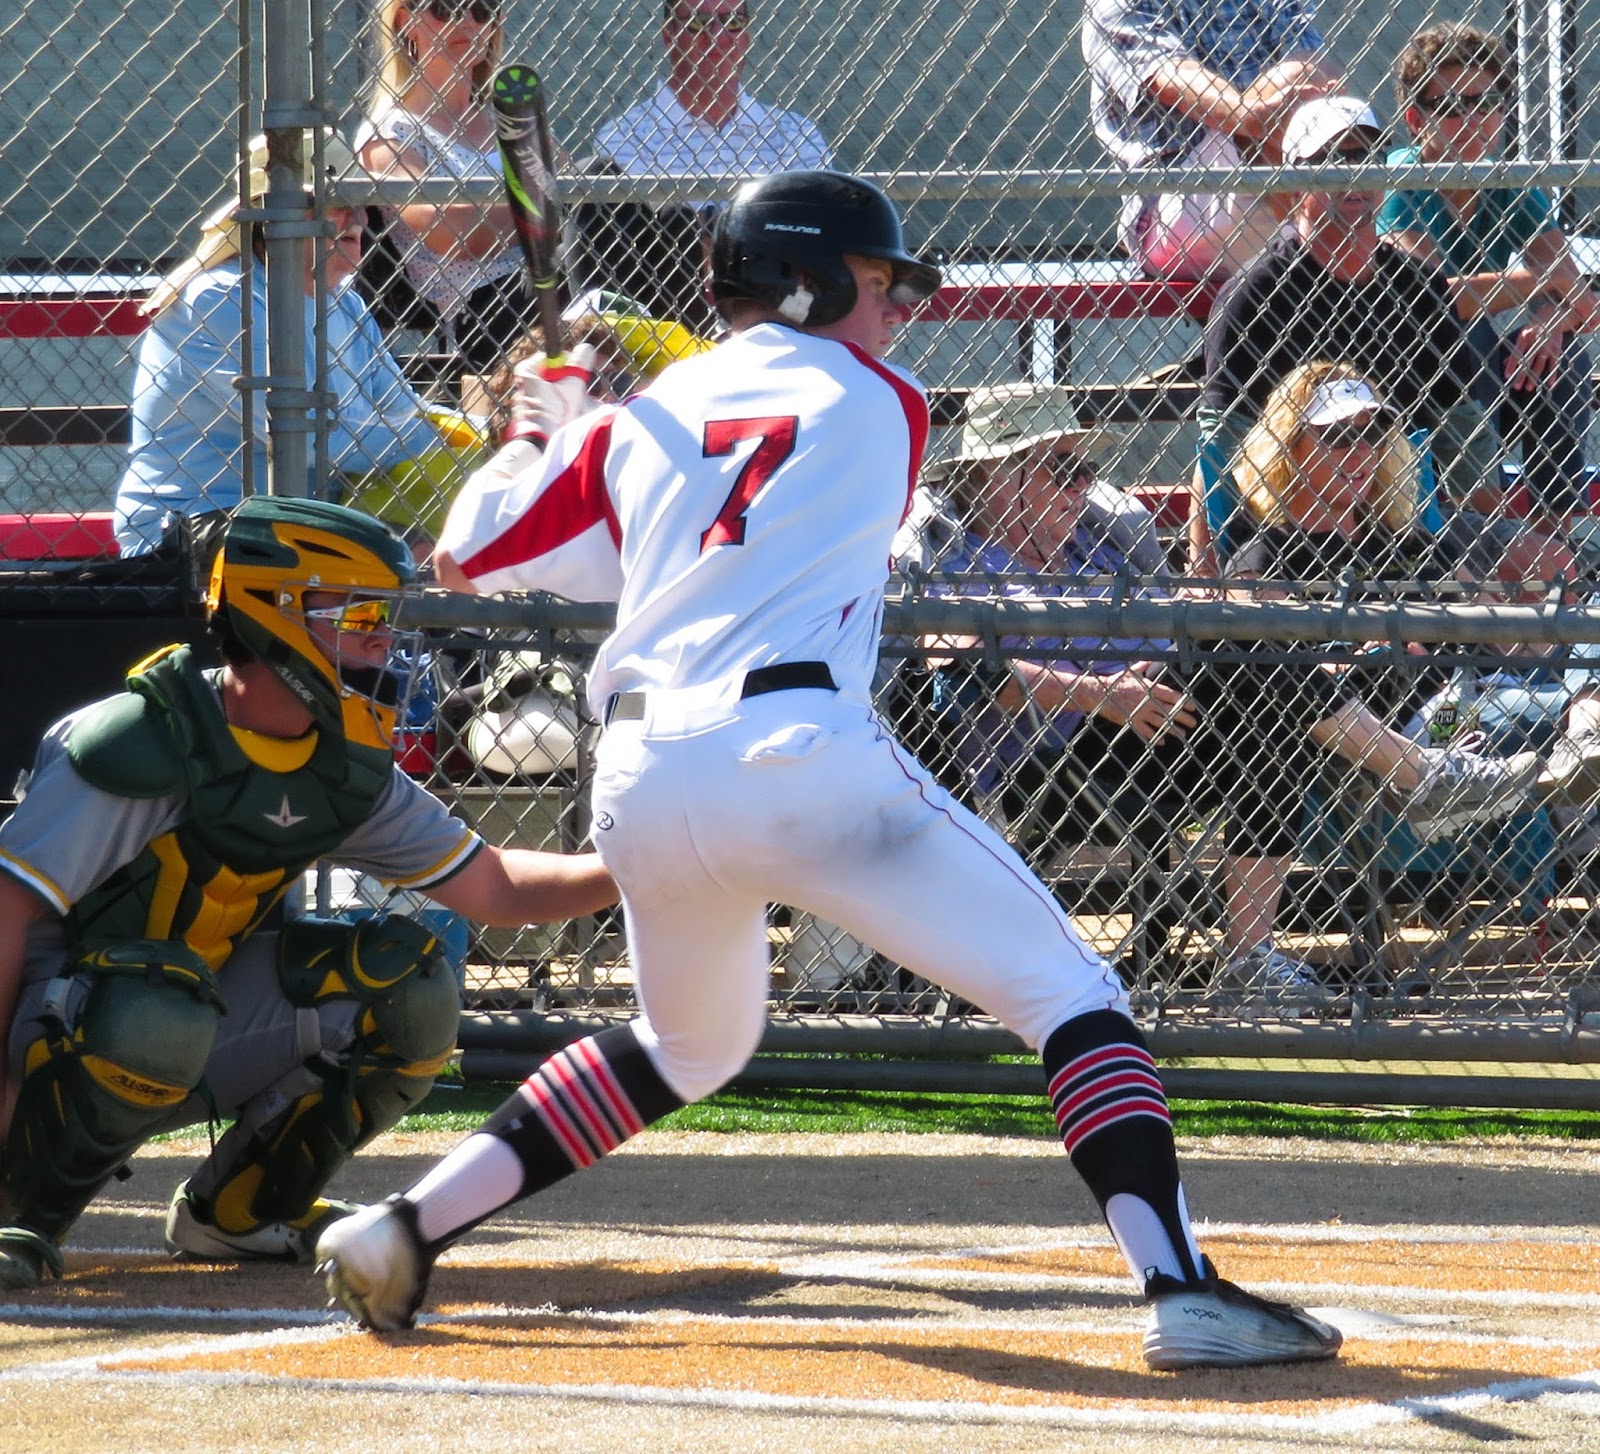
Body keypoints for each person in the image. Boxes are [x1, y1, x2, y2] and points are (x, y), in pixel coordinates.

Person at [316, 167, 1343, 1371]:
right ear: (802, 283)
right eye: (872, 284)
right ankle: (1180, 1287)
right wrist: (583, 434)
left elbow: (473, 550)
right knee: (1071, 990)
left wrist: (541, 433)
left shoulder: (634, 426)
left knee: (685, 1045)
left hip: (642, 774)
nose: (891, 310)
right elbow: (731, 518)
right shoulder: (881, 399)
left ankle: (404, 1227)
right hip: (795, 751)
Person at [0, 495, 617, 1291]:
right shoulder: (141, 739)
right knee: (153, 1006)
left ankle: (240, 1214)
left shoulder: (338, 762)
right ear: (276, 613)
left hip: (175, 1020)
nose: (381, 639)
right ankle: (19, 1211)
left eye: (383, 616)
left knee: (409, 983)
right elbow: (8, 907)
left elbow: (492, 885)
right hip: (51, 1030)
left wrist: (639, 867)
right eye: (361, 615)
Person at [895, 381, 1594, 1001]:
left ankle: (1249, 958)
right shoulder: (959, 558)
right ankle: (1423, 774)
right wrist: (1102, 693)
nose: (1082, 486)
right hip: (1065, 755)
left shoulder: (1098, 546)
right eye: (1062, 470)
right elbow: (964, 676)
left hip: (1171, 720)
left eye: (1086, 470)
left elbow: (1183, 625)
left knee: (1266, 691)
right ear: (996, 478)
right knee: (1248, 642)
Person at [114, 131, 465, 557]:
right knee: (390, 558)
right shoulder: (223, 297)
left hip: (310, 518)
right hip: (199, 521)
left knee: (452, 548)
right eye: (337, 204)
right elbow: (305, 438)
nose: (360, 218)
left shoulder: (346, 304)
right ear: (275, 214)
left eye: (360, 202)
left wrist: (479, 431)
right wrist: (435, 434)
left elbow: (402, 410)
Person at [1194, 93, 1504, 572]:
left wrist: (1491, 540)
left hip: (1402, 521)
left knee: (1539, 563)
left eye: (1366, 156)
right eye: (1334, 158)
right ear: (1296, 180)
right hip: (1288, 533)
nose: (1354, 171)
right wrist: (1204, 567)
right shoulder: (1255, 295)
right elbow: (1218, 447)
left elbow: (1459, 431)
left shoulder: (1418, 285)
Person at [1378, 22, 1600, 535]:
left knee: (1559, 356)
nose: (1476, 120)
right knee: (1465, 332)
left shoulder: (1506, 182)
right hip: (1405, 372)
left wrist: (1548, 320)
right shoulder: (1398, 182)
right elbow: (1433, 301)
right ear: (1416, 119)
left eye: (1487, 101)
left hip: (1486, 372)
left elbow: (1581, 299)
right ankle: (1480, 533)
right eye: (1453, 107)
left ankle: (1552, 544)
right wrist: (1545, 281)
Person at [568, 1, 833, 332]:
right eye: (698, 24)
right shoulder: (626, 134)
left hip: (769, 299)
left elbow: (816, 232)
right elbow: (640, 245)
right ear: (670, 35)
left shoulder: (794, 133)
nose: (718, 36)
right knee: (672, 218)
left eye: (733, 23)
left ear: (747, 35)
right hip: (665, 308)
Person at [1082, 0, 1340, 282]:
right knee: (1291, 83)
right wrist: (1246, 117)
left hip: (1271, 181)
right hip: (1180, 200)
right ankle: (1320, 253)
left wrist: (1265, 119)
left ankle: (1316, 248)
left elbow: (1321, 70)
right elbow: (1174, 78)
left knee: (1310, 86)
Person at [356, 0, 532, 372]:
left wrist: (531, 203)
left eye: (482, 9)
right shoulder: (390, 133)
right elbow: (457, 233)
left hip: (553, 271)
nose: (467, 21)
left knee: (653, 212)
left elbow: (572, 194)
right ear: (405, 21)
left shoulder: (509, 121)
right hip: (484, 308)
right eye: (445, 7)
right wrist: (543, 202)